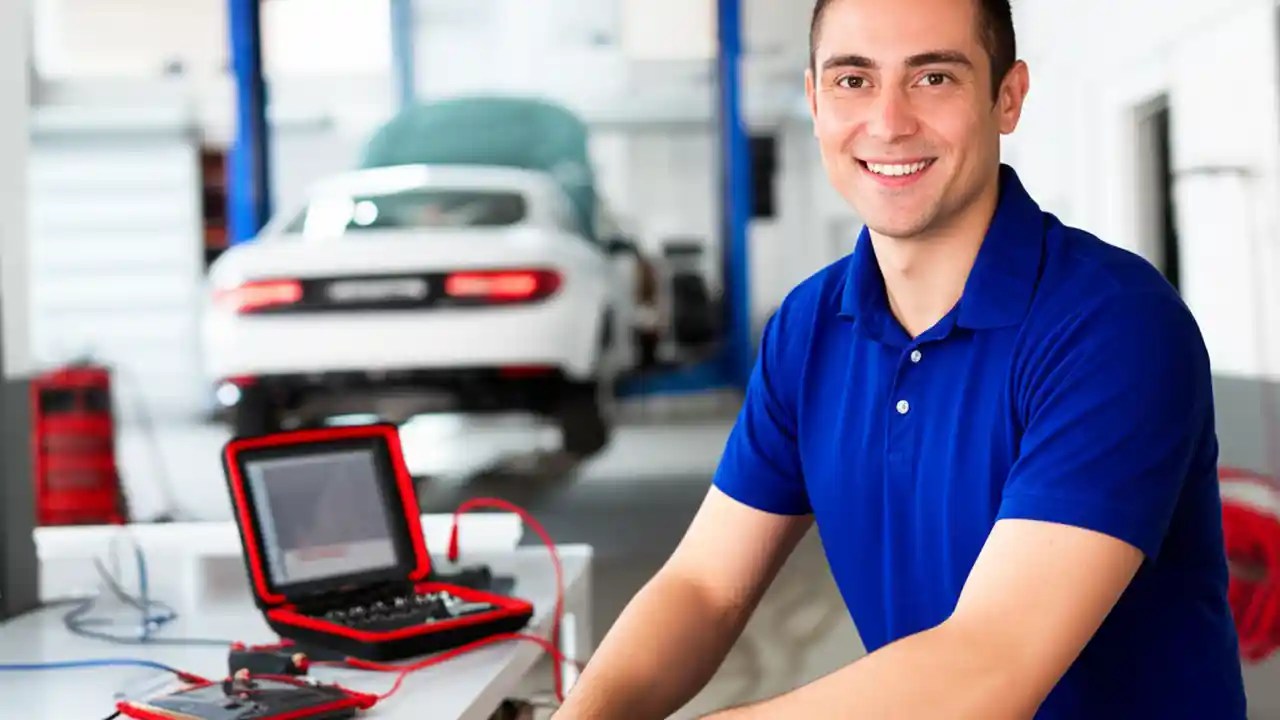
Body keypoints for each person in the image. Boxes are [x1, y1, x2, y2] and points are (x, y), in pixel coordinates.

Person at [553, 0, 1249, 717]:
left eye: (934, 78)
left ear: (1006, 98)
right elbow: (702, 586)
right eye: (854, 81)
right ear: (815, 101)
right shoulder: (808, 328)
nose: (888, 122)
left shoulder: (1111, 325)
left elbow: (987, 667)